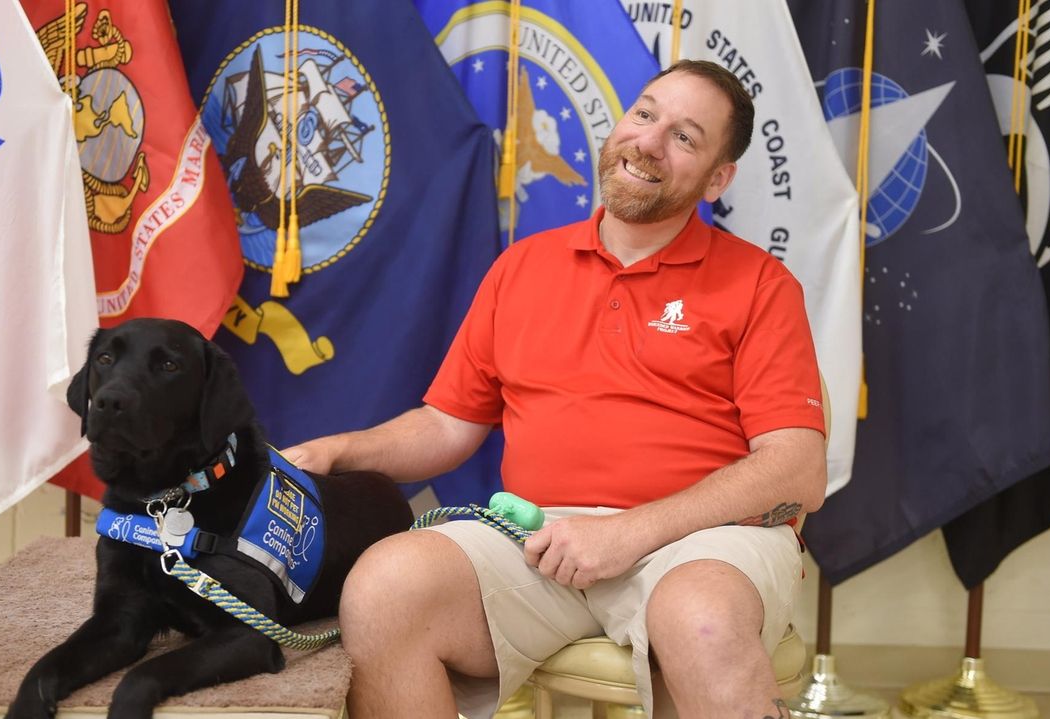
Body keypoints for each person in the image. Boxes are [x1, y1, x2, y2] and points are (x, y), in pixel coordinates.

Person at [284, 59, 827, 719]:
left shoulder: (761, 285)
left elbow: (798, 469)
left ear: (718, 179)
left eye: (685, 137)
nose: (650, 142)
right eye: (646, 114)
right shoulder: (522, 267)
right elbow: (448, 425)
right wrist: (340, 451)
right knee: (383, 587)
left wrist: (631, 531)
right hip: (543, 539)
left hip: (703, 542)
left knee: (701, 618)